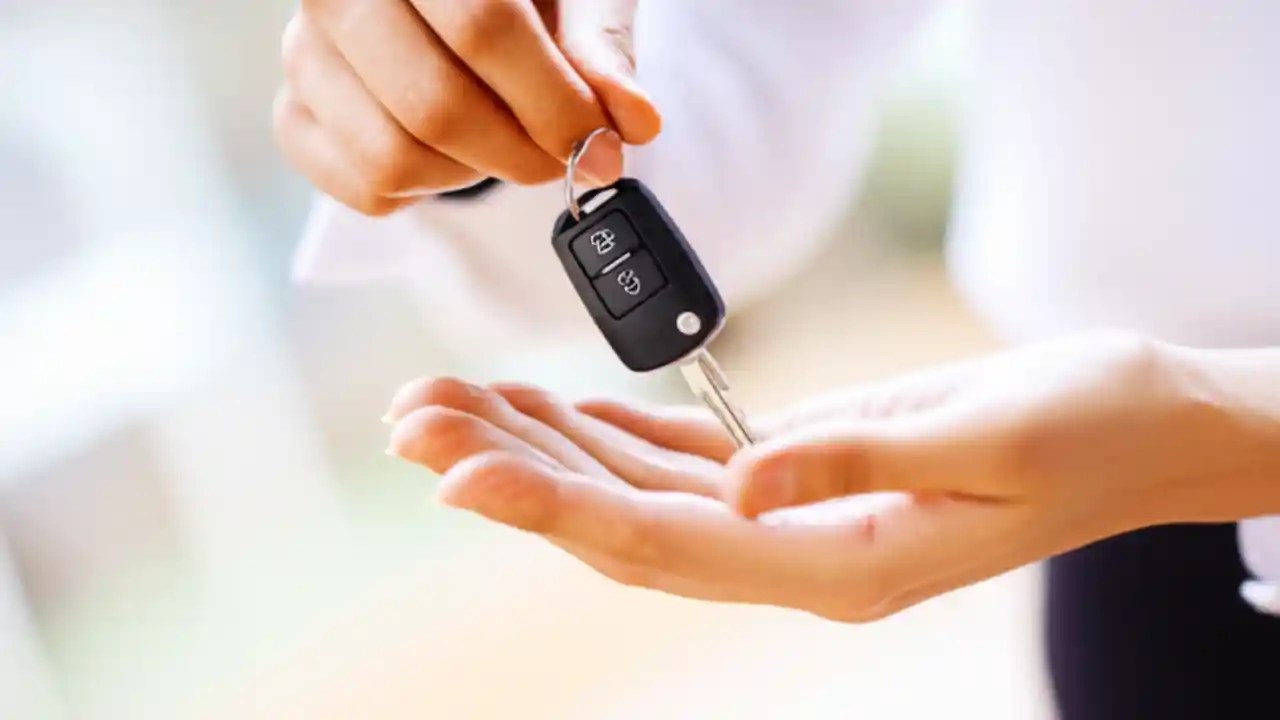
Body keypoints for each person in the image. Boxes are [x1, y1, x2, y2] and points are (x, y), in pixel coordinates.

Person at [273, 0, 1280, 716]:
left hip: (1128, 460)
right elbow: (716, 103)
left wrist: (1241, 422)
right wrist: (475, 99)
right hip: (1132, 522)